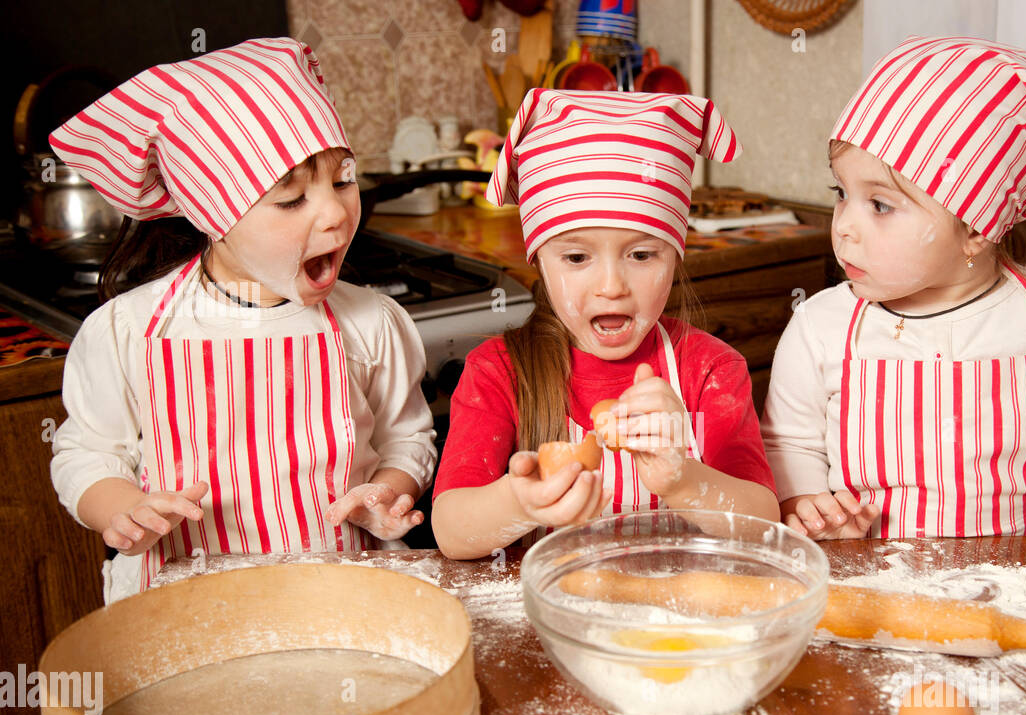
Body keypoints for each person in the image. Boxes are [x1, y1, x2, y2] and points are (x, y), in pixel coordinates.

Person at [48, 38, 436, 602]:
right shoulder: (127, 332)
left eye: (343, 178)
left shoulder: (371, 322)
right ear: (214, 214)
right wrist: (120, 508)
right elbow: (86, 452)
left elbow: (407, 436)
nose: (334, 212)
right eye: (291, 199)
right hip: (180, 615)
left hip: (347, 600)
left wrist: (386, 493)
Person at [761, 36, 1026, 556]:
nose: (844, 226)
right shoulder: (820, 325)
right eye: (841, 193)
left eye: (881, 205)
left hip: (1021, 579)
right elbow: (788, 443)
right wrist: (809, 505)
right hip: (867, 582)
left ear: (978, 227)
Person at [430, 90, 778, 559]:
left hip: (681, 622)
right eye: (576, 257)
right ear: (539, 262)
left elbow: (764, 526)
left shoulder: (710, 370)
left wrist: (683, 479)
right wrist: (521, 502)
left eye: (641, 254)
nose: (611, 286)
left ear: (675, 256)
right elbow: (452, 534)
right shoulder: (498, 372)